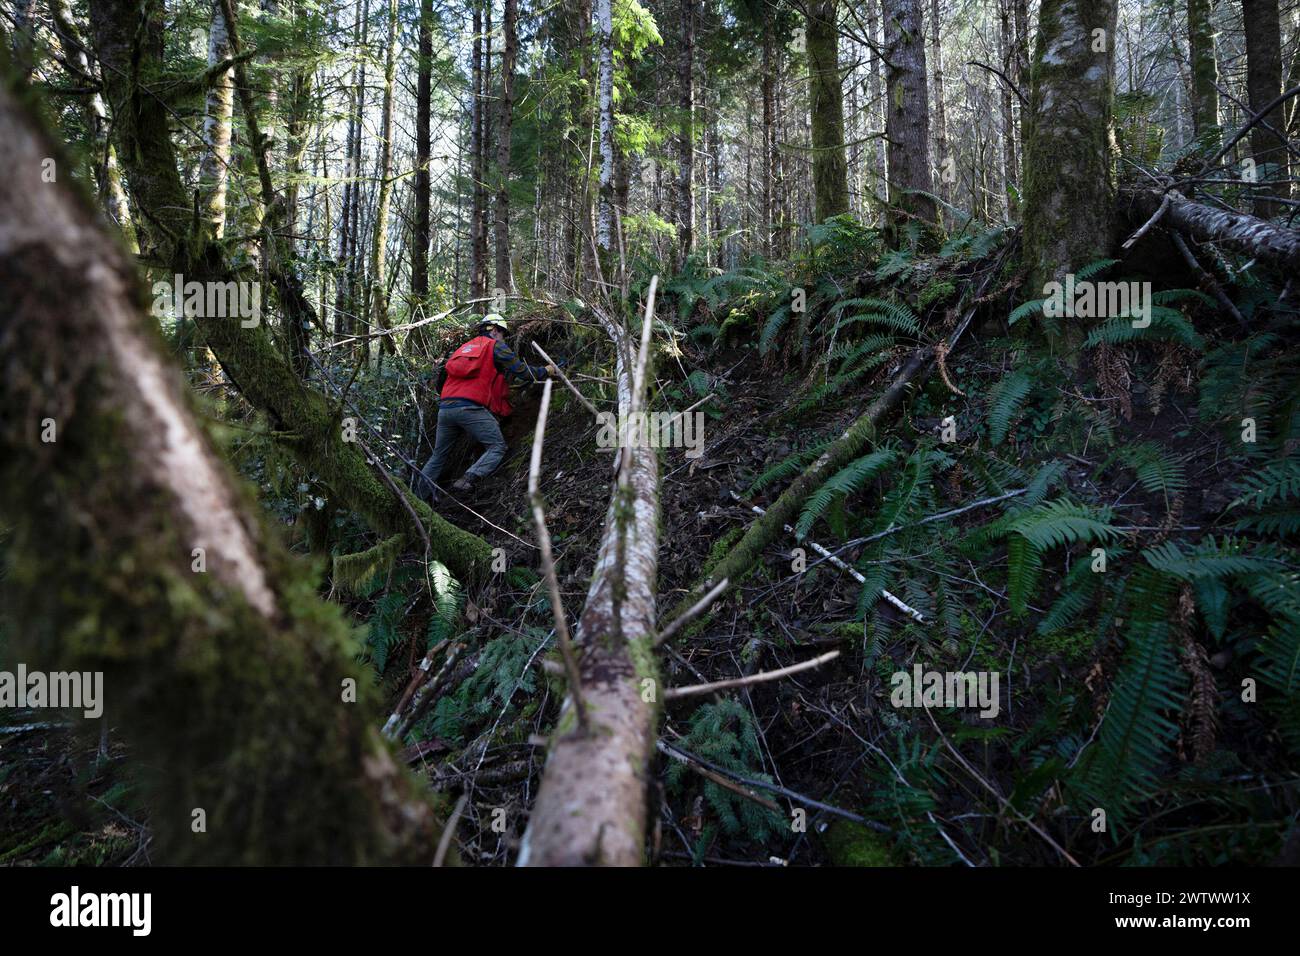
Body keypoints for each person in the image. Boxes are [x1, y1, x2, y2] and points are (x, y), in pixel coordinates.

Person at [417, 315, 557, 502]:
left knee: (438, 456)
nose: (503, 339)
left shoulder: (462, 349)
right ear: (494, 330)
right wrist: (546, 370)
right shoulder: (495, 346)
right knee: (497, 446)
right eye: (503, 334)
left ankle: (416, 498)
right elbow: (523, 372)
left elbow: (442, 379)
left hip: (445, 409)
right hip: (470, 408)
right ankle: (468, 478)